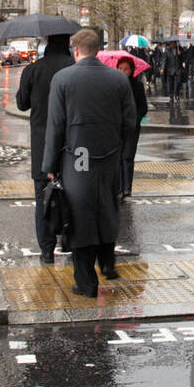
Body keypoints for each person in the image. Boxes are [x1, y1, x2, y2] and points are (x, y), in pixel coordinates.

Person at [42, 29, 136, 296]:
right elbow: (130, 122)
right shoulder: (119, 80)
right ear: (98, 49)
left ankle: (85, 282)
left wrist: (50, 165)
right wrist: (115, 146)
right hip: (108, 159)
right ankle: (107, 265)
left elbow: (56, 125)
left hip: (76, 160)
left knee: (79, 218)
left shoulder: (62, 79)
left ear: (76, 50)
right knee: (107, 211)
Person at [16, 33, 75, 264]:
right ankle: (70, 242)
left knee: (43, 198)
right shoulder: (74, 68)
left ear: (47, 43)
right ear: (68, 44)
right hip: (71, 144)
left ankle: (47, 250)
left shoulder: (34, 69)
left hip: (42, 145)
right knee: (73, 195)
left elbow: (22, 104)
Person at [116, 56, 148, 198]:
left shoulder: (137, 86)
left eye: (126, 69)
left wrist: (135, 120)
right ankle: (118, 187)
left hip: (132, 128)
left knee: (127, 157)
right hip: (116, 128)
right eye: (120, 68)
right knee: (117, 158)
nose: (123, 71)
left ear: (131, 70)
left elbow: (143, 107)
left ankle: (127, 188)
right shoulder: (113, 85)